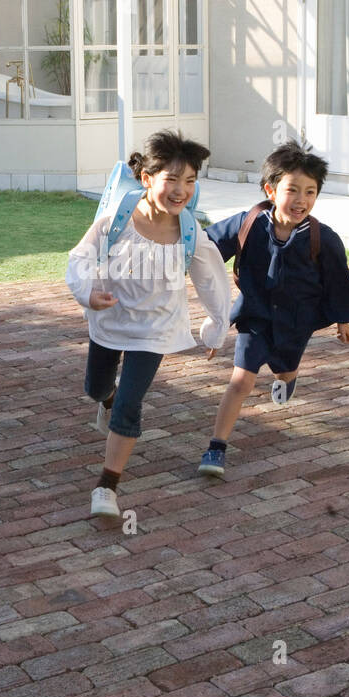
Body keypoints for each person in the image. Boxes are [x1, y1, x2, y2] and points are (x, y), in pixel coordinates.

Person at [66, 130, 231, 519]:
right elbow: (79, 260)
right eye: (171, 179)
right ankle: (106, 399)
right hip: (110, 322)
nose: (181, 190)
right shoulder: (115, 220)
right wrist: (88, 295)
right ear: (147, 179)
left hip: (155, 331)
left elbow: (211, 279)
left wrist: (216, 324)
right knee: (96, 389)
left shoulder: (189, 232)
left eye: (190, 181)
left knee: (129, 404)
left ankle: (107, 485)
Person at [197, 140, 349, 477]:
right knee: (240, 382)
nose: (301, 200)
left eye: (310, 192)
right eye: (293, 190)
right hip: (254, 317)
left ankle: (289, 376)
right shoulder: (248, 224)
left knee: (284, 370)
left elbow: (338, 278)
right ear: (271, 189)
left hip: (296, 322)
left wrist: (343, 318)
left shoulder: (322, 238)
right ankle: (216, 447)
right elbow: (206, 249)